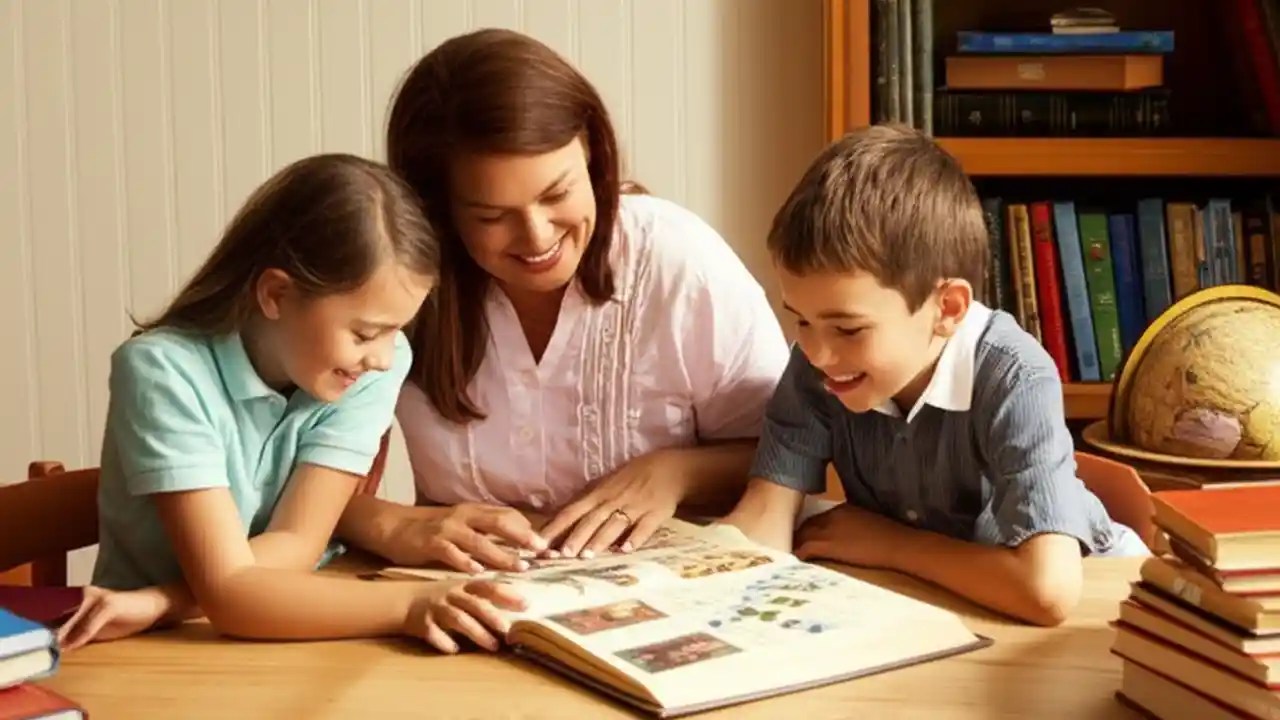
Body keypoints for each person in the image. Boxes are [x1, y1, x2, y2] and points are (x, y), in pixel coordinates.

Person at [336, 28, 789, 575]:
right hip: (462, 598)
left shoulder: (677, 261)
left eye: (557, 194)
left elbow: (794, 452)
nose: (536, 237)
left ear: (593, 154)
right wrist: (391, 523)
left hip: (669, 594)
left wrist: (674, 473)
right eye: (491, 216)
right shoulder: (399, 284)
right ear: (440, 211)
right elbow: (291, 483)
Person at [58, 153, 525, 655]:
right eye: (366, 332)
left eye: (397, 330)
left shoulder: (363, 370)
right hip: (143, 652)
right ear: (277, 294)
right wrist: (411, 605)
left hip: (284, 633)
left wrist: (163, 599)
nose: (385, 357)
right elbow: (232, 592)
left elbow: (299, 543)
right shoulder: (164, 373)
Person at [720, 124, 1149, 627]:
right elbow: (764, 517)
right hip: (945, 599)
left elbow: (1047, 592)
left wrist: (891, 545)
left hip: (1100, 596)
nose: (816, 351)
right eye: (801, 319)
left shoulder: (1015, 376)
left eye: (849, 328)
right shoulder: (820, 359)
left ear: (946, 307)